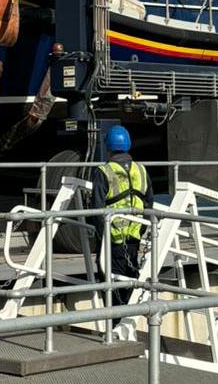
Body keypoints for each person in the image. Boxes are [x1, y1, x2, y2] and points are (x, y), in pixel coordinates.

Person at [89, 125, 151, 303]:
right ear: (129, 145)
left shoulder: (103, 172)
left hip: (112, 239)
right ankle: (126, 320)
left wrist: (102, 235)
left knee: (109, 281)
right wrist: (139, 230)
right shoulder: (141, 170)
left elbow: (97, 208)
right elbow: (149, 202)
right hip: (133, 237)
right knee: (130, 279)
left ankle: (115, 325)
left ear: (107, 147)